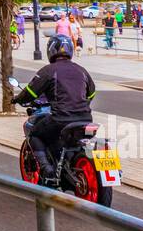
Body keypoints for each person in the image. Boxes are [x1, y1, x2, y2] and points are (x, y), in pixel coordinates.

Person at [11, 34, 96, 186]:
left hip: (60, 118)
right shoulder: (81, 70)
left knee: (35, 133)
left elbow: (30, 92)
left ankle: (47, 169)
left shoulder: (48, 71)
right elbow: (92, 93)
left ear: (50, 50)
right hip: (85, 118)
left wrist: (17, 99)